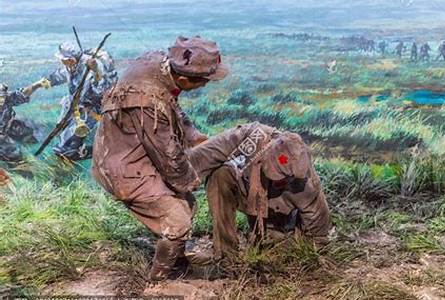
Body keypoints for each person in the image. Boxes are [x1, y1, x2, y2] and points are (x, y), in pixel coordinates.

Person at [91, 36, 228, 281]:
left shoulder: (160, 65)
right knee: (178, 220)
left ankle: (178, 261)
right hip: (123, 167)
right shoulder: (148, 102)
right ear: (185, 79)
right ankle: (159, 281)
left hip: (132, 148)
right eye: (203, 81)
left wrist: (193, 135)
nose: (205, 85)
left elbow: (172, 105)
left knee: (186, 204)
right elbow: (170, 159)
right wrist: (191, 180)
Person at [186, 122, 332, 261]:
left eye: (284, 178)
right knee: (220, 174)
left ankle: (272, 235)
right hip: (246, 191)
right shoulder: (252, 136)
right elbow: (202, 156)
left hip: (277, 211)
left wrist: (309, 256)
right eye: (277, 176)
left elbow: (318, 230)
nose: (280, 181)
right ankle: (226, 254)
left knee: (272, 252)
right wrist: (174, 182)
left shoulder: (307, 184)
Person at [27, 42, 117, 160]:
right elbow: (57, 76)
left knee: (72, 142)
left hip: (91, 108)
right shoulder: (70, 67)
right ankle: (68, 149)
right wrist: (37, 85)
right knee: (63, 135)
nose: (62, 62)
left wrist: (95, 71)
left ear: (71, 59)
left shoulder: (91, 67)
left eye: (63, 59)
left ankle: (91, 151)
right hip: (74, 105)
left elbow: (101, 90)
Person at [0, 83, 39, 161]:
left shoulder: (8, 99)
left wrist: (36, 85)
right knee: (11, 151)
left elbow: (21, 94)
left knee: (23, 129)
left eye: (3, 96)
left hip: (6, 128)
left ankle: (29, 144)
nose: (2, 100)